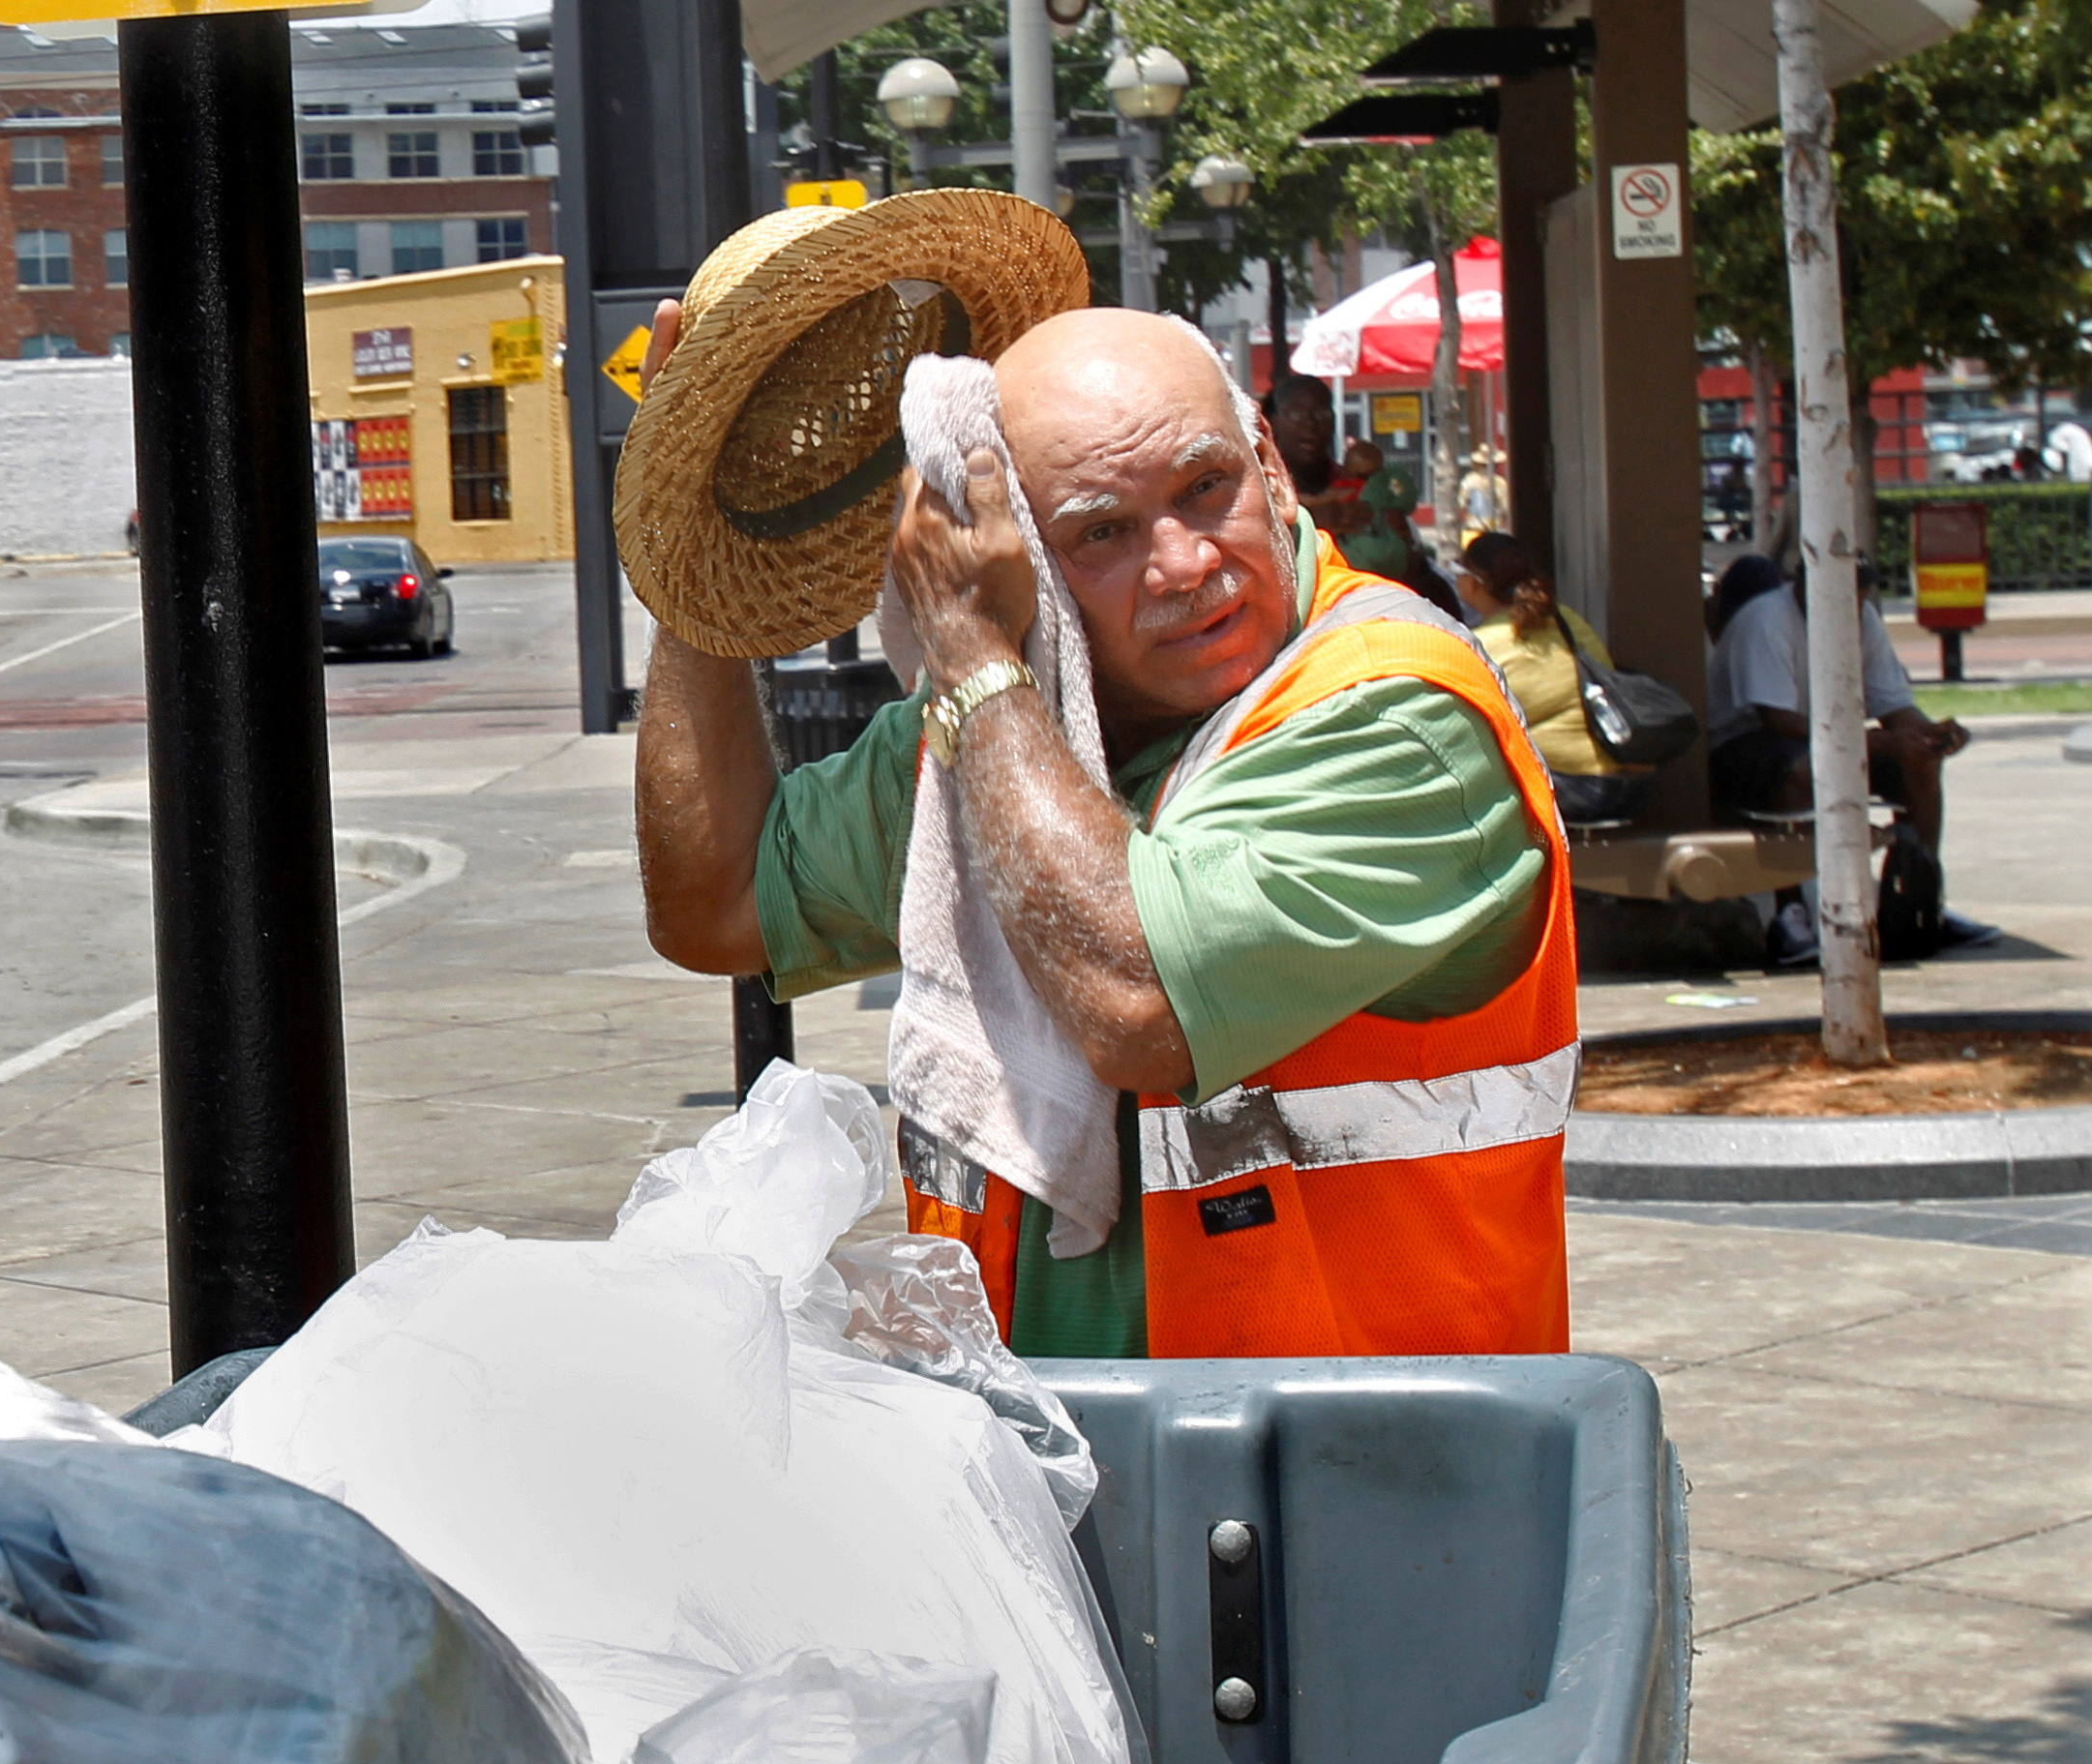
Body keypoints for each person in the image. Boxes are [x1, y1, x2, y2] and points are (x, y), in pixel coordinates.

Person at [636, 300, 1576, 1364]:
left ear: (1268, 463)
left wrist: (972, 656)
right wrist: (688, 545)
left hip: (1372, 1486)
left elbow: (1136, 1005)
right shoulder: (998, 726)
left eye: (1205, 489)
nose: (1182, 565)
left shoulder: (1397, 711)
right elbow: (711, 904)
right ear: (1014, 557)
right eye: (1102, 533)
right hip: (1064, 1482)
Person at [1707, 560, 1997, 961]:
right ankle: (1791, 915)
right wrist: (1878, 742)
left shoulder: (1863, 619)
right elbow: (1778, 720)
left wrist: (1928, 735)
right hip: (1744, 744)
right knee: (1801, 769)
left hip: (1830, 738)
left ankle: (1920, 898)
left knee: (1921, 762)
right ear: (1806, 590)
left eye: (1857, 602)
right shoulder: (1767, 620)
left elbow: (1893, 703)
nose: (1852, 612)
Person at [1453, 533, 1656, 828]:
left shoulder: (1480, 645)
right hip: (1632, 782)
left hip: (1573, 787)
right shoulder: (1566, 620)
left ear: (1473, 584)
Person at [1264, 373, 1463, 617]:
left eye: (1323, 414)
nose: (1311, 424)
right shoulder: (1261, 487)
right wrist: (1311, 521)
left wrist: (1399, 538)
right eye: (1296, 415)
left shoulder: (1362, 483)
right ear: (1271, 422)